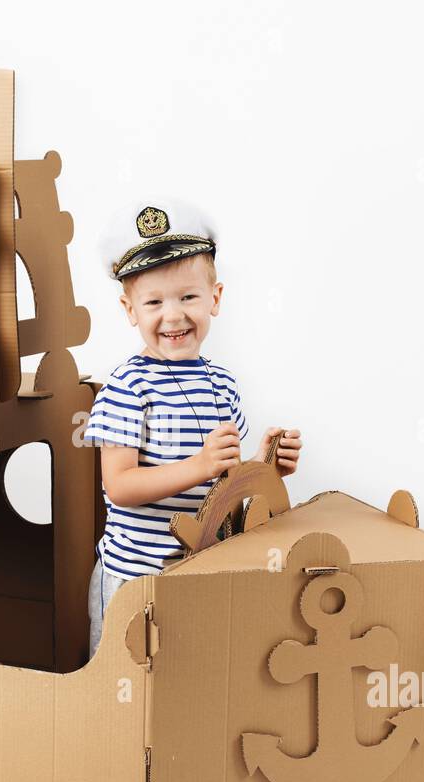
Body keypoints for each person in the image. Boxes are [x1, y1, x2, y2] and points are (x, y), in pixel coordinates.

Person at [83, 199, 303, 657]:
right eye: (154, 302)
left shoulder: (222, 384)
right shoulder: (128, 386)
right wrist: (199, 464)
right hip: (137, 578)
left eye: (187, 297)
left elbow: (225, 485)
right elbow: (119, 486)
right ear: (130, 310)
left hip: (200, 570)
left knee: (183, 684)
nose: (173, 315)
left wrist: (264, 469)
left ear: (214, 299)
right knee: (123, 686)